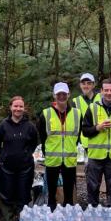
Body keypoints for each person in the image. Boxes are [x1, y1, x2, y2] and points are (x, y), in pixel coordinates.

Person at [0, 96, 38, 221]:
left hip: (25, 167)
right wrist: (4, 156)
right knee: (6, 195)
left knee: (24, 195)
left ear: (24, 108)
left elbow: (34, 143)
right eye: (15, 106)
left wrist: (26, 154)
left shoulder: (30, 126)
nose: (18, 109)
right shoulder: (3, 125)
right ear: (10, 107)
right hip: (7, 167)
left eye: (21, 106)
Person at [81, 78, 111, 208]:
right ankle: (93, 210)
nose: (109, 93)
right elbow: (84, 131)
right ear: (101, 91)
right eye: (106, 90)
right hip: (96, 154)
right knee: (92, 185)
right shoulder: (92, 108)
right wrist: (97, 127)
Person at [38, 82, 80, 211]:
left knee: (69, 195)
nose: (61, 96)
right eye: (58, 94)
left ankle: (68, 216)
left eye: (64, 94)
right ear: (54, 96)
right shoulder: (45, 114)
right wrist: (48, 151)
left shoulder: (77, 114)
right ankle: (52, 216)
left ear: (68, 95)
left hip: (69, 158)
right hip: (52, 158)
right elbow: (42, 136)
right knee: (51, 195)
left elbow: (77, 135)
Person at [72, 73, 98, 153]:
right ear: (80, 85)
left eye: (89, 83)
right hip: (83, 144)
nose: (86, 86)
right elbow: (74, 125)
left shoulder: (102, 98)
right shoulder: (75, 102)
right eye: (83, 83)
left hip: (101, 143)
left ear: (93, 85)